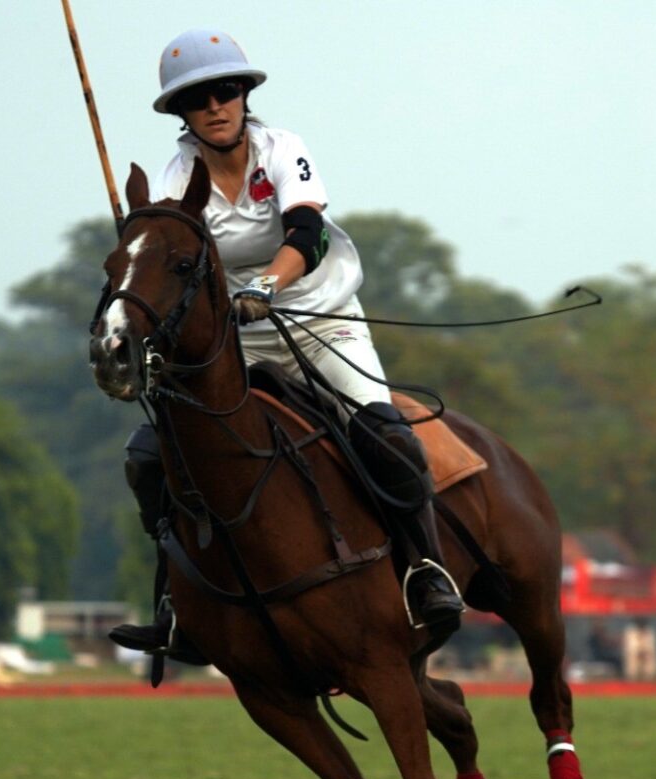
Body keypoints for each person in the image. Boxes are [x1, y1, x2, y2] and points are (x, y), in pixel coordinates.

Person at [110, 28, 464, 663]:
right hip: (234, 339)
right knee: (152, 456)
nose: (216, 106)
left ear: (245, 96)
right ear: (182, 114)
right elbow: (169, 256)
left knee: (385, 433)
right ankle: (174, 603)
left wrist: (270, 285)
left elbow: (308, 231)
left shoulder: (283, 149)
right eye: (199, 99)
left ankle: (425, 571)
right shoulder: (175, 178)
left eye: (227, 90)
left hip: (320, 316)